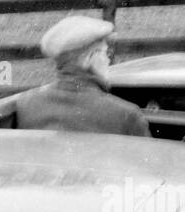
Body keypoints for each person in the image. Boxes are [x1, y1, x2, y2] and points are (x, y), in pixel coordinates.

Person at [16, 15, 151, 137]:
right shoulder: (126, 115)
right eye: (105, 53)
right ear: (89, 58)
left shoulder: (26, 104)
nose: (108, 60)